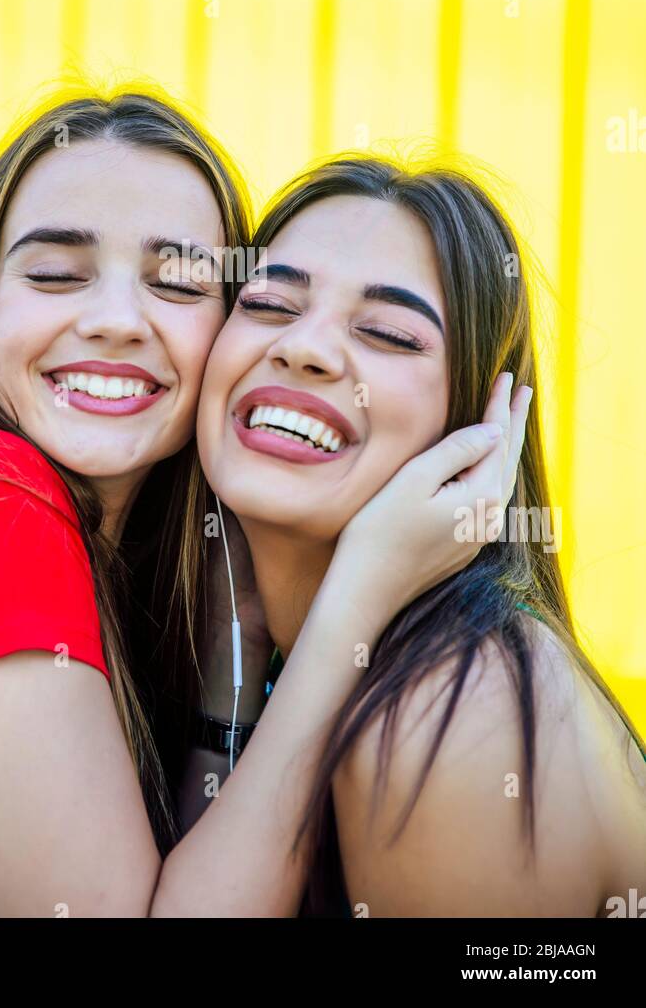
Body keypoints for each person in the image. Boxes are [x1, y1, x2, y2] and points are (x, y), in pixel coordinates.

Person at [0, 92, 520, 917]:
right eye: (56, 275)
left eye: (178, 284)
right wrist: (356, 597)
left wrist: (231, 662)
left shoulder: (140, 579)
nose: (115, 322)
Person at [196, 155, 646, 917]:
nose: (305, 348)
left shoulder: (457, 704)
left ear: (479, 427)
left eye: (388, 335)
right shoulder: (275, 655)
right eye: (270, 303)